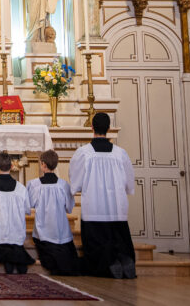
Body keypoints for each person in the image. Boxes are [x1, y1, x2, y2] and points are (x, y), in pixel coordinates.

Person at [70, 112, 136, 279]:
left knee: (96, 243)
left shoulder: (84, 153)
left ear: (91, 128)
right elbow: (129, 180)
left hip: (94, 206)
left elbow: (75, 180)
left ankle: (107, 265)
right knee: (118, 238)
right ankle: (123, 258)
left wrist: (75, 188)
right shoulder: (120, 153)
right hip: (116, 206)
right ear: (109, 129)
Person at [0, 151, 34, 275]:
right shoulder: (21, 188)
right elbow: (27, 210)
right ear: (12, 167)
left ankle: (10, 261)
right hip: (16, 235)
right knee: (15, 246)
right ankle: (18, 260)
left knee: (0, 248)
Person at [27, 149, 81, 276]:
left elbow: (29, 205)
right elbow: (69, 207)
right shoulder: (63, 185)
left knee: (49, 254)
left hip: (43, 231)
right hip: (61, 231)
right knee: (67, 254)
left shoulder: (34, 185)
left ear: (43, 165)